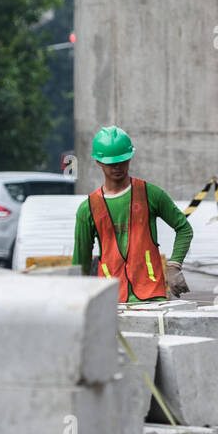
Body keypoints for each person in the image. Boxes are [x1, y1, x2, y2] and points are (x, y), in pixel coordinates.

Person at [73, 125, 193, 303]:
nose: (118, 167)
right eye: (111, 163)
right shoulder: (88, 208)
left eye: (123, 160)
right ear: (98, 162)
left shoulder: (150, 194)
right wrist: (77, 297)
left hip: (152, 295)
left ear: (130, 158)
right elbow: (80, 261)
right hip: (111, 298)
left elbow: (184, 228)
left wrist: (174, 265)